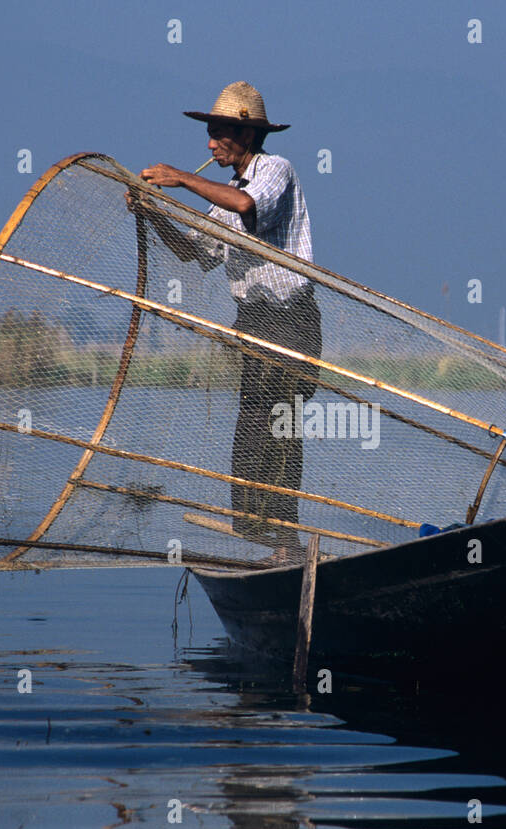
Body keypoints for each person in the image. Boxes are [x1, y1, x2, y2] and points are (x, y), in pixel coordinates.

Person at [131, 81, 320, 562]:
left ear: (248, 136)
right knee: (253, 429)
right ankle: (267, 540)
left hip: (290, 320)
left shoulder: (275, 171)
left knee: (281, 427)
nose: (210, 144)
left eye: (219, 135)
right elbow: (195, 252)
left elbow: (248, 206)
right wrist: (152, 212)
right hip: (254, 321)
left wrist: (180, 178)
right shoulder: (223, 193)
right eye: (210, 135)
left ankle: (286, 542)